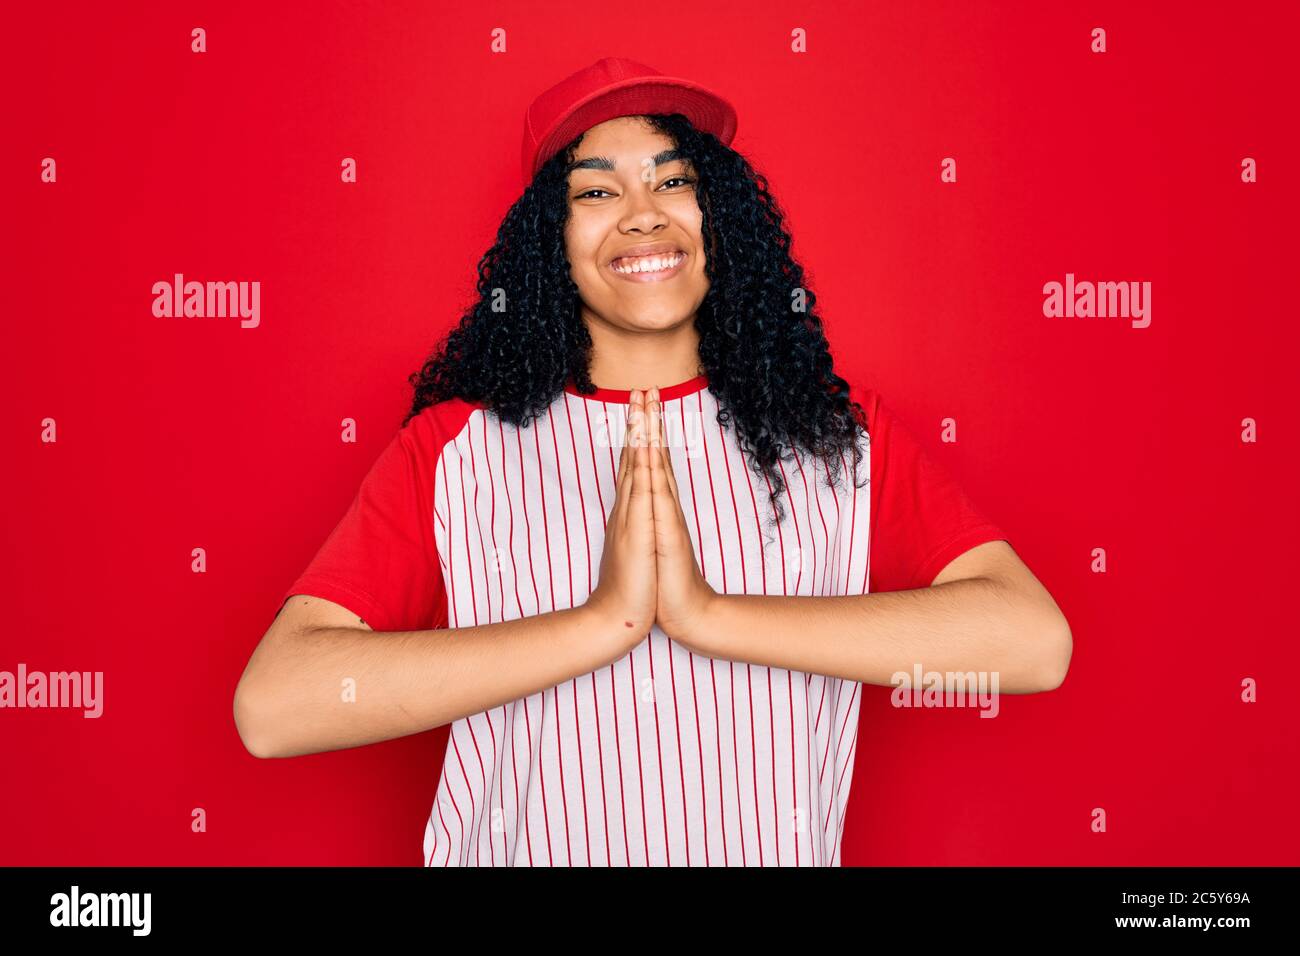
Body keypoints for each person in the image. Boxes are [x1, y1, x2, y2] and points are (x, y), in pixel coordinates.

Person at [234, 57, 1072, 867]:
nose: (643, 215)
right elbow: (275, 707)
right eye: (597, 190)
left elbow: (1032, 644)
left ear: (721, 218)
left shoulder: (836, 437)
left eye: (673, 181)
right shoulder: (457, 449)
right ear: (550, 242)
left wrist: (709, 616)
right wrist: (606, 622)